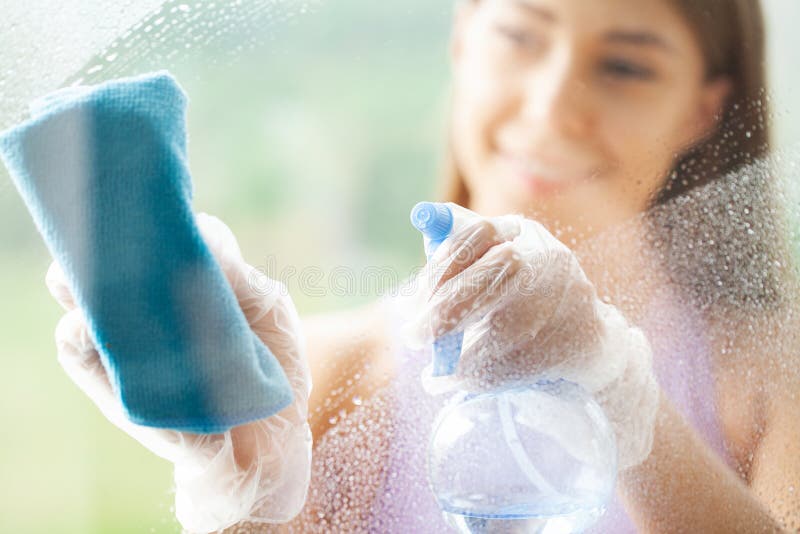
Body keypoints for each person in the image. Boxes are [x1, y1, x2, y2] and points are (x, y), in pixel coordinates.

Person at [46, 0, 800, 532]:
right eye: (520, 35)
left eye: (626, 66)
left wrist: (623, 399)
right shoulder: (330, 379)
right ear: (463, 39)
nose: (551, 106)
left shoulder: (774, 380)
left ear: (704, 108)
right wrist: (241, 497)